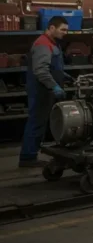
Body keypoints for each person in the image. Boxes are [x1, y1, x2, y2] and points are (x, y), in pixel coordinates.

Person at [20, 16, 68, 168]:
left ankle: (30, 154)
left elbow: (52, 66)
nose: (65, 33)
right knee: (36, 123)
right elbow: (41, 71)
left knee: (40, 122)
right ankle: (28, 157)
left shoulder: (52, 43)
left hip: (46, 90)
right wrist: (54, 87)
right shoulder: (43, 44)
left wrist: (63, 75)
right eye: (63, 29)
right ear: (52, 28)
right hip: (41, 90)